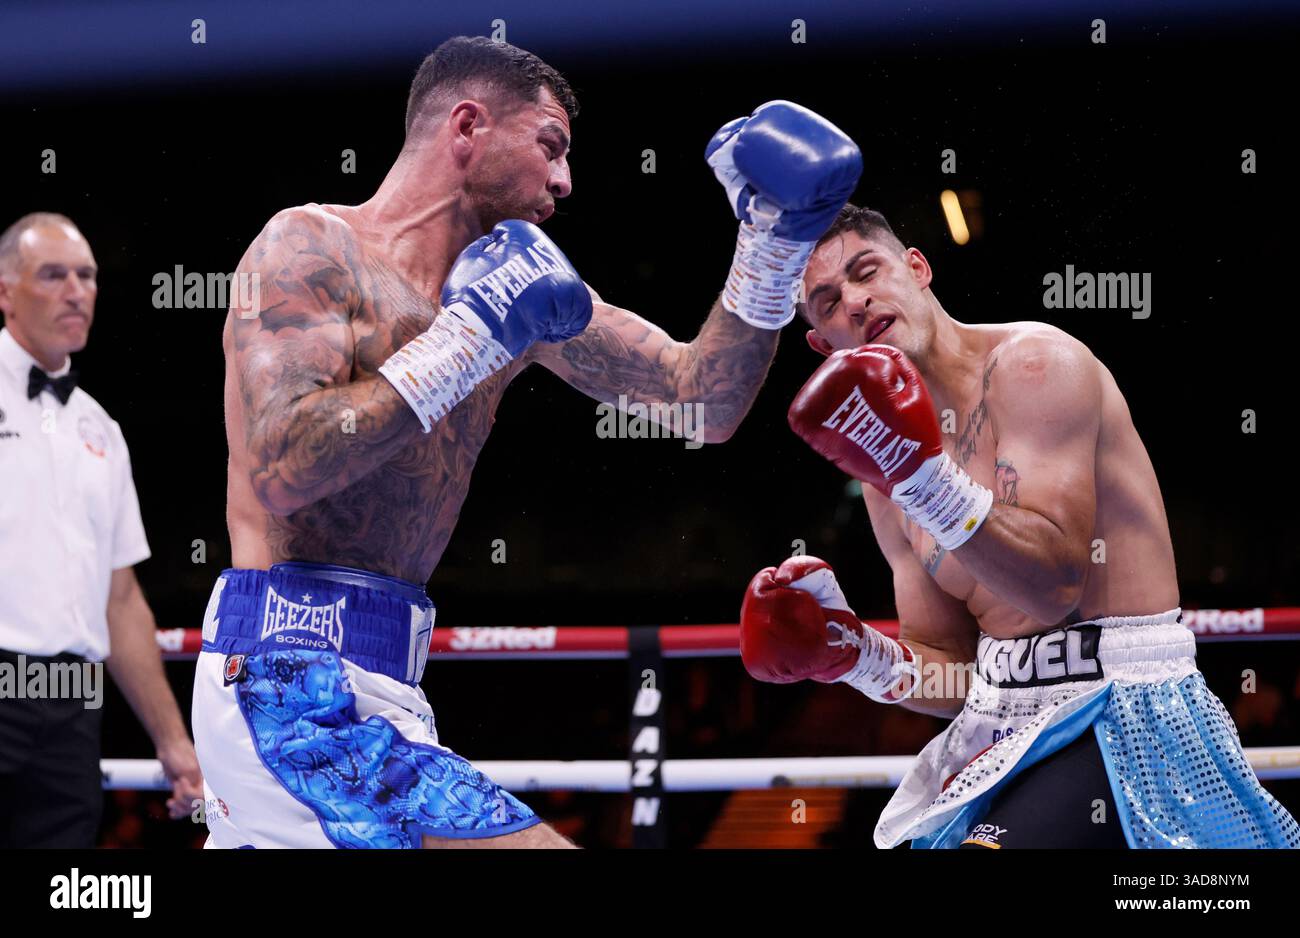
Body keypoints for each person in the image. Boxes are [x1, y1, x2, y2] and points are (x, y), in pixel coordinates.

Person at [191, 35, 861, 848]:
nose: (564, 181)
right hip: (286, 674)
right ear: (467, 126)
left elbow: (702, 402)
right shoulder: (311, 246)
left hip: (386, 676)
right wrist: (466, 340)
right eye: (550, 147)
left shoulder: (519, 302)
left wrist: (770, 246)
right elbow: (280, 469)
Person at [738, 203, 1300, 848]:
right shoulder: (880, 477)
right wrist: (853, 654)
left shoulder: (1035, 365)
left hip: (1124, 714)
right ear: (821, 343)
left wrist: (919, 476)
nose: (858, 302)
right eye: (829, 301)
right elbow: (955, 673)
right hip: (1005, 727)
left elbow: (1053, 585)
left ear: (917, 268)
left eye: (870, 272)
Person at [0, 212, 203, 847]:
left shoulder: (101, 431)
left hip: (71, 711)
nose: (76, 290)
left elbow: (120, 598)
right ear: (6, 291)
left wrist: (174, 742)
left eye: (86, 275)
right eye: (53, 275)